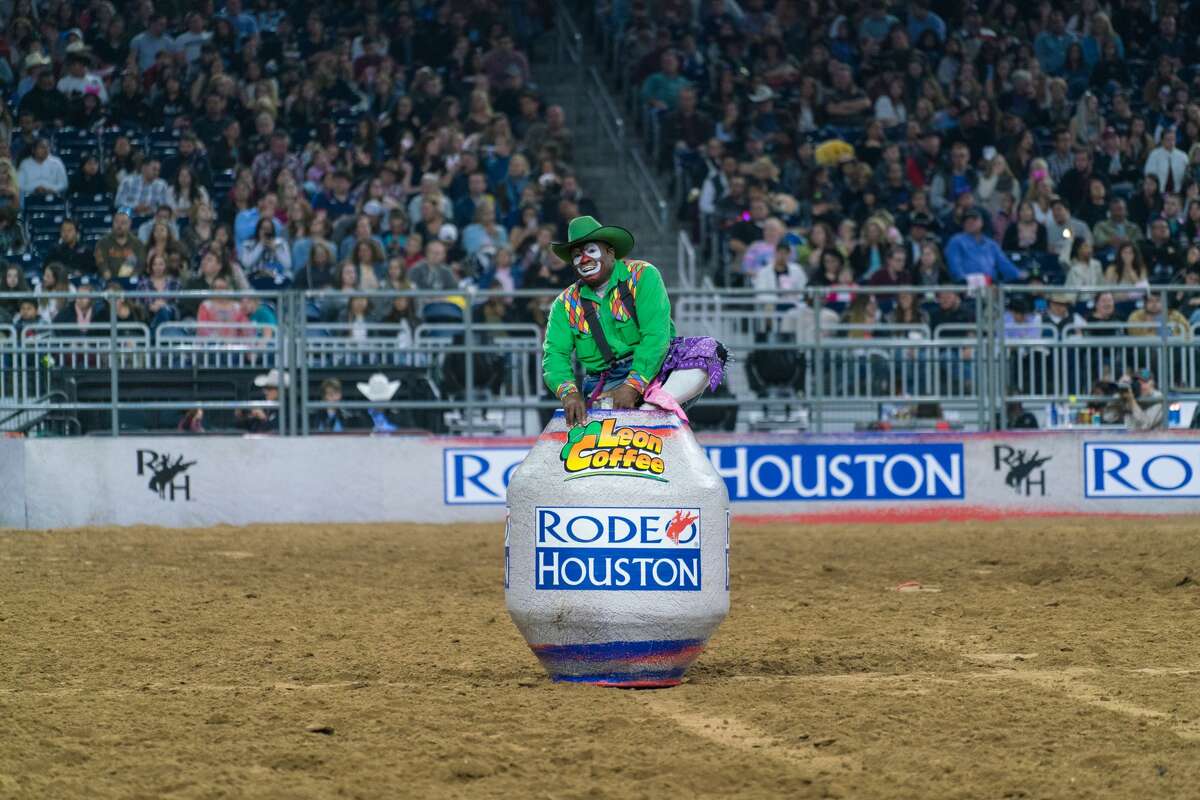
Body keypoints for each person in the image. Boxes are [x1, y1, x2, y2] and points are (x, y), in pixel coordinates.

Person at [542, 215, 724, 426]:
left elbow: (656, 336)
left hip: (659, 370)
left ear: (611, 252)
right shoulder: (564, 304)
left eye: (591, 251)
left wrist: (633, 385)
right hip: (604, 382)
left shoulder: (643, 275)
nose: (583, 260)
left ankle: (650, 411)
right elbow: (554, 355)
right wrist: (569, 394)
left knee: (711, 351)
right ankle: (640, 415)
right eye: (576, 256)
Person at [944, 209, 1023, 284]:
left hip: (990, 286)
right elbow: (955, 267)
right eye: (967, 220)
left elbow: (1004, 264)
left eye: (974, 219)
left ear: (982, 222)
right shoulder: (956, 241)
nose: (970, 222)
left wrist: (1021, 275)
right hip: (966, 287)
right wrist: (964, 282)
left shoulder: (991, 244)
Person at [236, 368, 284, 433]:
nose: (265, 392)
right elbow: (245, 427)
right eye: (265, 388)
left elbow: (280, 430)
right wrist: (242, 417)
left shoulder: (288, 408)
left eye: (269, 389)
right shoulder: (265, 405)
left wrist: (263, 418)